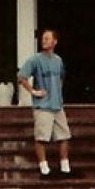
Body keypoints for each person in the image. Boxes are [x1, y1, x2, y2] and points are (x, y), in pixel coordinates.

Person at [18, 28, 72, 178]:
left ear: (55, 41)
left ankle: (65, 166)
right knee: (42, 137)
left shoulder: (58, 60)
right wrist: (33, 91)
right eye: (43, 38)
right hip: (43, 106)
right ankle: (44, 167)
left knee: (64, 135)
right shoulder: (35, 59)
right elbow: (21, 77)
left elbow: (61, 77)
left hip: (57, 105)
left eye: (48, 38)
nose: (44, 41)